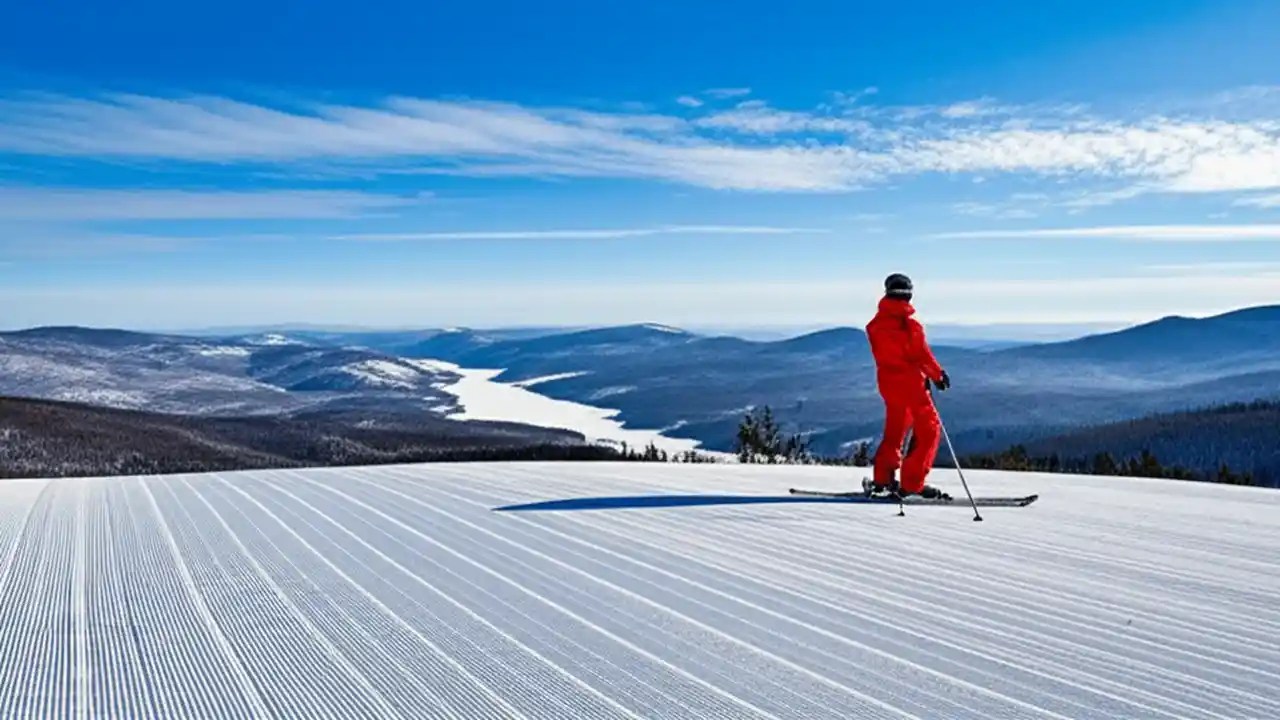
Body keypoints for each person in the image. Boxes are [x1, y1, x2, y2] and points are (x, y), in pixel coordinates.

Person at [864, 273, 952, 499]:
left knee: (895, 430)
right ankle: (912, 484)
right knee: (928, 430)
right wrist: (938, 376)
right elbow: (922, 356)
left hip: (887, 383)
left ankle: (883, 479)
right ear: (909, 294)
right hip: (911, 385)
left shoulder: (875, 325)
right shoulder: (910, 326)